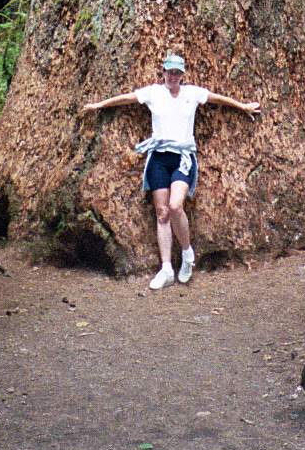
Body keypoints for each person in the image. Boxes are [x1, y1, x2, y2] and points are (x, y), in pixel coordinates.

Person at [80, 53, 260, 289]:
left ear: (182, 75)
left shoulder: (191, 93)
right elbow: (126, 99)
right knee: (162, 213)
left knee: (176, 206)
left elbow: (216, 98)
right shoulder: (154, 93)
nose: (173, 76)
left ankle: (187, 254)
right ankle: (166, 269)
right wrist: (98, 106)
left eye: (177, 73)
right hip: (158, 158)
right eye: (169, 72)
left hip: (183, 157)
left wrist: (243, 106)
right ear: (163, 72)